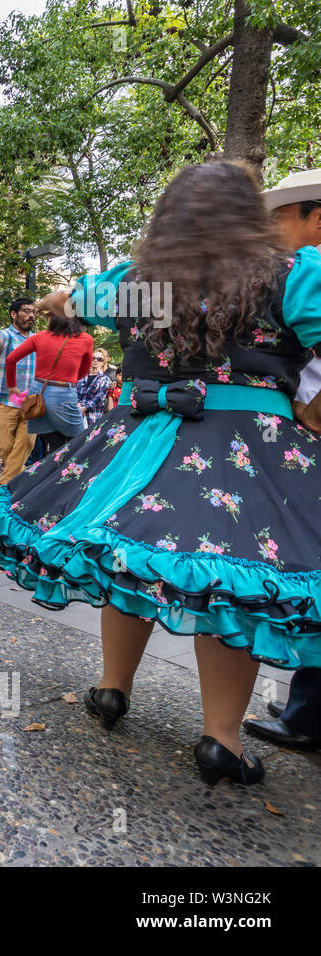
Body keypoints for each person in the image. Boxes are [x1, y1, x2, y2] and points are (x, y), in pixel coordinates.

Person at [0, 160, 321, 785]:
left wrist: (62, 294)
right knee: (232, 587)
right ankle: (220, 740)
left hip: (137, 442)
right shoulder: (292, 274)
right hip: (249, 448)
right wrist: (307, 411)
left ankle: (113, 689)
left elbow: (64, 300)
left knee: (128, 555)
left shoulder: (140, 284)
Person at [240, 166, 321, 753]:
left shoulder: (306, 272)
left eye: (280, 217)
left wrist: (315, 411)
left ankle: (308, 715)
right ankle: (309, 707)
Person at [0, 305, 94, 455]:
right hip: (63, 393)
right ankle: (69, 477)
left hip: (38, 395)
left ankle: (52, 476)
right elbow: (83, 371)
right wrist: (68, 379)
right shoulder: (85, 339)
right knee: (80, 445)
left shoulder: (40, 336)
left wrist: (12, 386)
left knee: (54, 447)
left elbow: (11, 359)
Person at [0, 296, 38, 484]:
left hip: (30, 402)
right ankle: (17, 483)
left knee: (27, 444)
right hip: (2, 399)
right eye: (26, 311)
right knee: (5, 447)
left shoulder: (37, 340)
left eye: (33, 312)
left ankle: (2, 487)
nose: (31, 316)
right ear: (13, 314)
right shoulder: (6, 335)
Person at [77, 347, 114, 430]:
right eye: (93, 358)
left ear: (103, 362)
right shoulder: (81, 376)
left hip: (93, 416)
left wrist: (84, 408)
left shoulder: (105, 379)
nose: (95, 360)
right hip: (77, 414)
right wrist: (77, 405)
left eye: (99, 359)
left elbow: (99, 398)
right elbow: (74, 392)